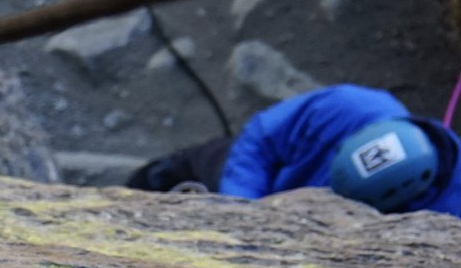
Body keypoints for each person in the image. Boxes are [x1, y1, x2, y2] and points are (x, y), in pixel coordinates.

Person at [126, 83, 461, 216]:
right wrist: (242, 207)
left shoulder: (448, 214)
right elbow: (261, 138)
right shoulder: (353, 108)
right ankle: (136, 190)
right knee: (192, 165)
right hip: (263, 189)